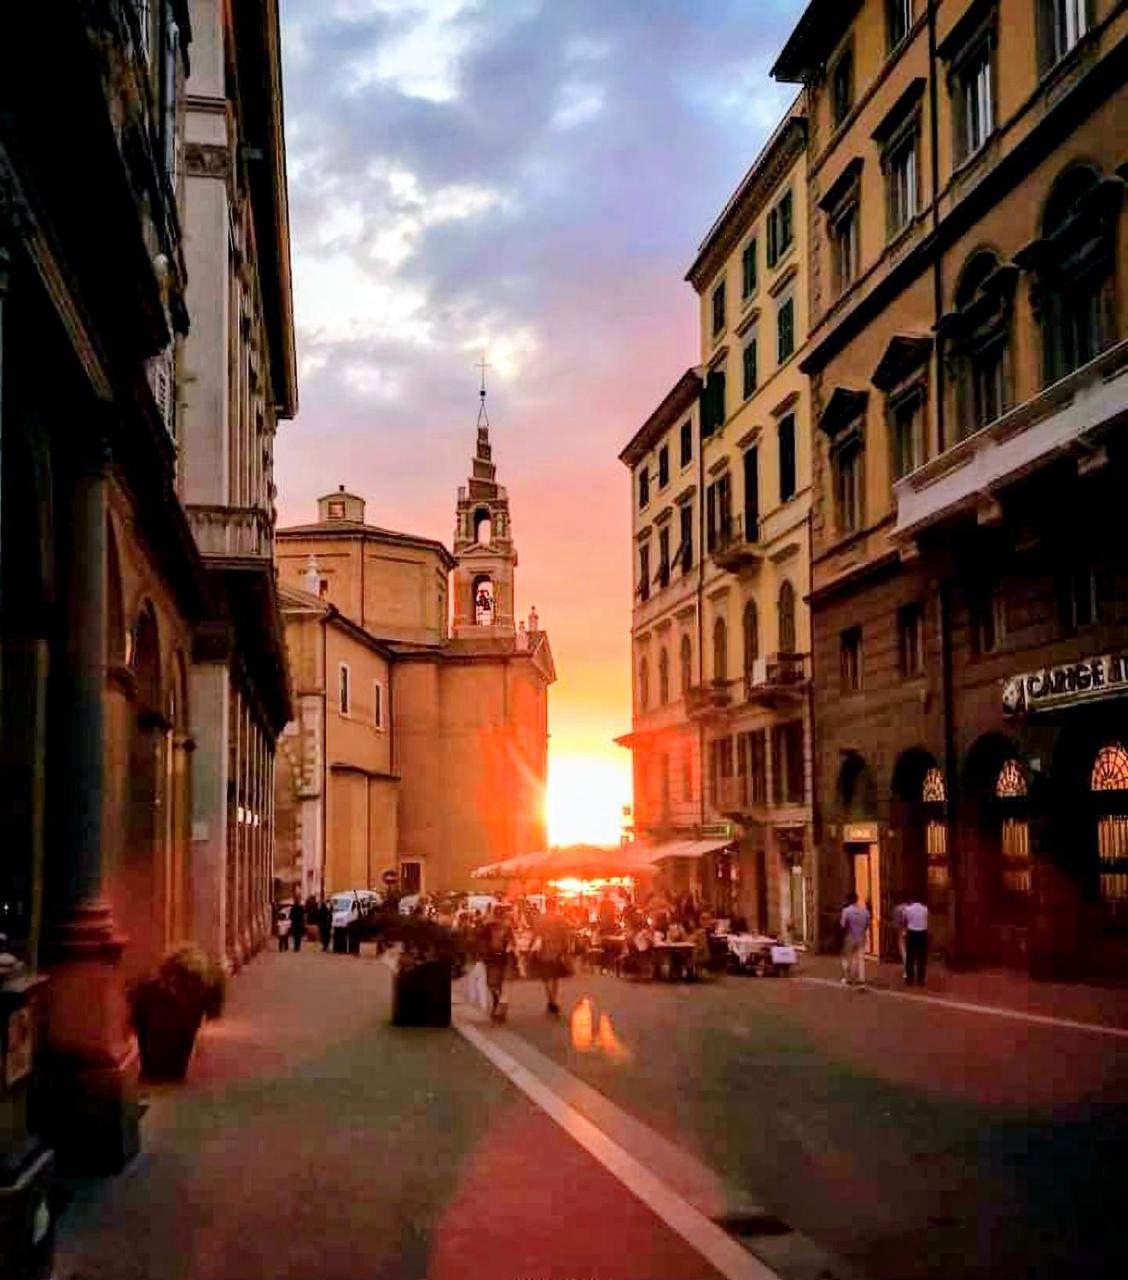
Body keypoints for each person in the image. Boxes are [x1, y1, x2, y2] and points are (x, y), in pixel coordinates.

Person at [532, 898, 571, 1014]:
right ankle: (553, 1000)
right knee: (555, 977)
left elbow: (536, 934)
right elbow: (565, 935)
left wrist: (530, 947)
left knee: (547, 977)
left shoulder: (541, 919)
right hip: (557, 950)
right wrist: (566, 948)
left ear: (546, 906)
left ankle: (551, 1000)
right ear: (555, 906)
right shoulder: (560, 919)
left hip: (545, 950)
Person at [477, 905, 515, 1022]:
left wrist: (481, 955)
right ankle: (498, 1007)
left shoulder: (488, 926)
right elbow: (512, 943)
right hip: (502, 957)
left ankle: (499, 1004)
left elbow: (481, 940)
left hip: (491, 957)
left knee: (492, 984)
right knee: (497, 983)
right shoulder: (506, 927)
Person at [839, 892, 870, 988]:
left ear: (848, 900)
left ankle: (847, 977)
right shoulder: (865, 911)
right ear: (857, 899)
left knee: (847, 957)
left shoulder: (846, 911)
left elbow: (843, 925)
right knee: (860, 958)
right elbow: (867, 924)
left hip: (850, 936)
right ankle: (861, 978)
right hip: (861, 936)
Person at [902, 895, 929, 986]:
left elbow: (905, 921)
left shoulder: (907, 909)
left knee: (910, 957)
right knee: (921, 958)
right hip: (922, 933)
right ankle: (920, 979)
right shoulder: (925, 909)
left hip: (911, 933)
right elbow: (926, 920)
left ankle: (909, 979)